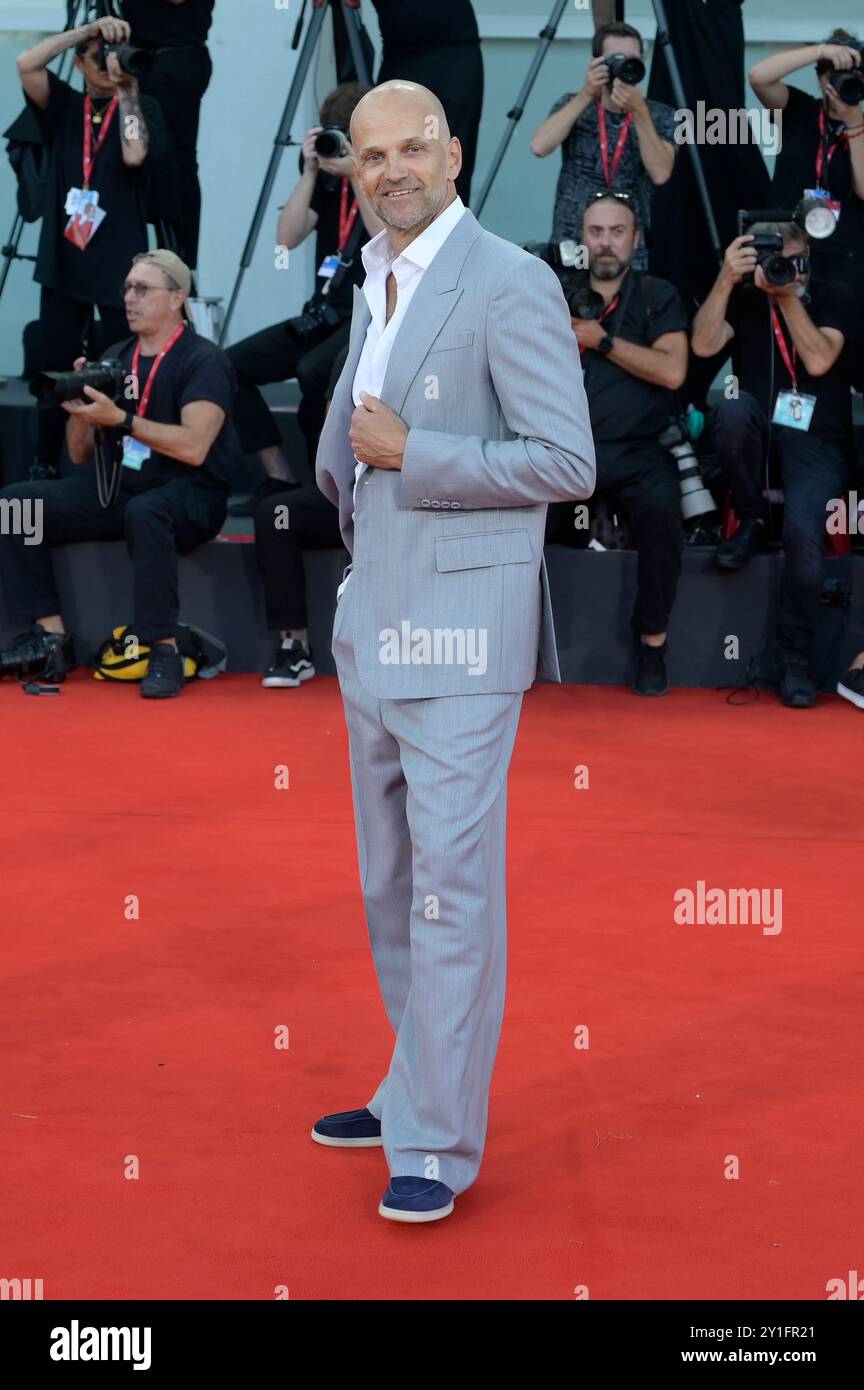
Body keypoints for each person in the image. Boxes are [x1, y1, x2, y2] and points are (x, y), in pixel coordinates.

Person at [312, 79, 596, 1222]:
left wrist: (411, 454)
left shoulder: (509, 281)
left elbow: (562, 462)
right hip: (369, 622)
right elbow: (348, 441)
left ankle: (436, 1138)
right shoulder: (375, 278)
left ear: (452, 151)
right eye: (368, 156)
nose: (388, 171)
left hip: (461, 642)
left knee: (450, 896)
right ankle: (410, 1079)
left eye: (409, 149)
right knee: (391, 885)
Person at [0, 251, 241, 699]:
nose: (129, 298)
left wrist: (123, 421)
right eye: (128, 288)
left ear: (176, 298)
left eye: (142, 290)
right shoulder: (116, 356)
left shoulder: (203, 360)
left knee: (148, 511)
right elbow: (78, 454)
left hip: (192, 495)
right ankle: (50, 636)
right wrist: (79, 408)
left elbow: (193, 447)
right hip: (123, 488)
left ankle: (162, 648)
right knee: (17, 504)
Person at [691, 224, 855, 708]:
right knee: (732, 407)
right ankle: (753, 517)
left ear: (806, 251)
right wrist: (725, 279)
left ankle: (794, 659)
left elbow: (821, 359)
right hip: (760, 428)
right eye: (766, 249)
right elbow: (701, 348)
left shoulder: (834, 292)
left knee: (806, 536)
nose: (776, 258)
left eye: (786, 248)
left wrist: (785, 296)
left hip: (818, 440)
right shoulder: (742, 296)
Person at [548, 190, 688, 694]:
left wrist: (599, 339)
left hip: (636, 451)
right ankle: (507, 648)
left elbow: (673, 371)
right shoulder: (553, 292)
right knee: (509, 514)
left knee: (661, 509)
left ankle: (652, 645)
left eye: (617, 232)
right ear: (581, 238)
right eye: (596, 232)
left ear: (635, 239)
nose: (606, 244)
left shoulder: (656, 295)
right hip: (560, 451)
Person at [16, 14, 166, 479]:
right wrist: (85, 33)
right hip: (64, 262)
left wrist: (126, 91)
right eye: (98, 59)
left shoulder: (141, 106)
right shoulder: (64, 106)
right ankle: (45, 462)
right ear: (79, 64)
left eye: (113, 56)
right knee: (54, 363)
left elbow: (134, 153)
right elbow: (27, 62)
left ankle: (129, 460)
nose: (107, 63)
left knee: (127, 365)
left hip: (121, 265)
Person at [225, 83, 383, 515]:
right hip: (323, 313)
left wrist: (357, 173)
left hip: (368, 315)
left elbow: (385, 240)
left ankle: (328, 487)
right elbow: (286, 238)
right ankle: (278, 476)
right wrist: (311, 170)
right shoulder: (325, 182)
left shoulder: (386, 175)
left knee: (312, 371)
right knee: (229, 365)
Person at [749, 31, 864, 361]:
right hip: (788, 248)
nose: (846, 79)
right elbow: (758, 76)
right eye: (835, 70)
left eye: (857, 73)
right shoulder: (798, 110)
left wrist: (855, 124)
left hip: (844, 259)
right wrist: (822, 50)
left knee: (839, 349)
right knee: (783, 341)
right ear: (821, 76)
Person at [531, 20, 676, 271]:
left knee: (625, 307)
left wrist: (639, 110)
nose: (623, 66)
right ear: (596, 62)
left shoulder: (661, 115)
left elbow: (661, 172)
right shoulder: (573, 103)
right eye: (615, 59)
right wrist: (586, 94)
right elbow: (539, 146)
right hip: (572, 242)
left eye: (633, 59)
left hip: (627, 247)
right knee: (569, 307)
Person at [253, 346, 348, 688]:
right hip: (353, 490)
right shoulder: (352, 352)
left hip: (410, 489)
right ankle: (294, 645)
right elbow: (333, 436)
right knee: (276, 513)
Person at [123, 0, 215, 268]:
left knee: (173, 161)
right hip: (143, 55)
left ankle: (177, 257)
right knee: (134, 153)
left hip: (173, 59)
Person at [371, 0, 483, 204]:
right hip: (401, 54)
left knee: (450, 152)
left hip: (454, 48)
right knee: (390, 146)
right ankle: (396, 226)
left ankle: (447, 229)